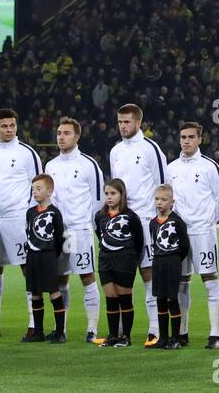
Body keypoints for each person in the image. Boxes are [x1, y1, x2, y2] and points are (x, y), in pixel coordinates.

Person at [108, 103, 168, 348]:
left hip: (144, 220)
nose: (123, 126)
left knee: (148, 274)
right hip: (123, 221)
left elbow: (163, 185)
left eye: (127, 122)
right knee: (121, 275)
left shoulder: (151, 149)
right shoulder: (115, 151)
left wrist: (158, 220)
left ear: (138, 122)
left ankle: (154, 329)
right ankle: (121, 332)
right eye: (120, 122)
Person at [166, 121, 219, 348]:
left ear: (200, 139)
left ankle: (215, 335)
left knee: (210, 281)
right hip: (179, 234)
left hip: (202, 232)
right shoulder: (171, 168)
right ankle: (182, 333)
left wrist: (207, 221)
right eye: (183, 137)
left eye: (191, 137)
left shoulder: (211, 167)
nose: (186, 141)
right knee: (182, 284)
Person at [0, 108, 43, 338]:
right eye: (4, 126)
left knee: (27, 269)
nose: (9, 130)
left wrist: (30, 217)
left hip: (19, 218)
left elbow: (38, 186)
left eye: (12, 125)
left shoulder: (28, 153)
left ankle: (33, 324)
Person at [44, 117, 105, 342]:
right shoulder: (50, 166)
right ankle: (61, 329)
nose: (61, 137)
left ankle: (92, 329)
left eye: (66, 133)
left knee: (87, 277)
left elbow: (99, 200)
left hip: (79, 230)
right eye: (59, 133)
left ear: (77, 136)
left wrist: (83, 222)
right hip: (57, 233)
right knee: (60, 280)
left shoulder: (89, 164)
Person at [94, 178, 141, 348]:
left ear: (122, 195)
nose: (109, 197)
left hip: (125, 261)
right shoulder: (100, 216)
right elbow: (100, 236)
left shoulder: (130, 217)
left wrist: (131, 258)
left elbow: (138, 240)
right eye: (106, 194)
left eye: (113, 193)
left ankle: (126, 336)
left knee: (125, 298)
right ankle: (113, 335)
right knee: (111, 298)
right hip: (105, 261)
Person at [23, 174, 67, 343]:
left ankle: (60, 332)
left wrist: (50, 254)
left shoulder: (54, 213)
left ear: (49, 191)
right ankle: (38, 332)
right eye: (33, 189)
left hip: (48, 256)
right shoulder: (30, 212)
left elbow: (59, 238)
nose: (35, 192)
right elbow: (28, 233)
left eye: (39, 189)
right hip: (32, 257)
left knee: (54, 292)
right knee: (35, 293)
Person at [149, 184, 191, 349]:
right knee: (160, 299)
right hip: (158, 262)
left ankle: (176, 338)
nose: (159, 202)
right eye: (157, 199)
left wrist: (174, 258)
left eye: (164, 199)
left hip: (172, 263)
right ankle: (163, 338)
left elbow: (184, 246)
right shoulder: (153, 223)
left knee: (172, 299)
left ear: (172, 202)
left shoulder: (177, 221)